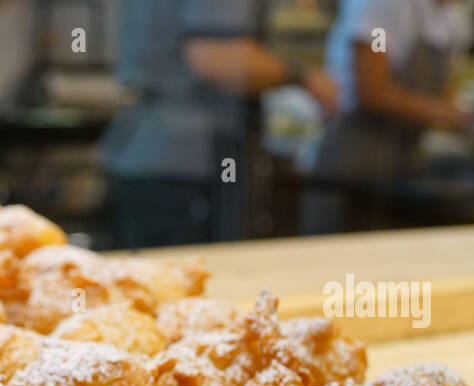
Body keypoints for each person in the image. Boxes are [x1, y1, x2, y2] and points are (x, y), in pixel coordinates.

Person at [101, 0, 337, 248]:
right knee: (205, 277)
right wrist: (305, 77)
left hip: (145, 153)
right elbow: (213, 57)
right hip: (191, 164)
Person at [305, 0, 474, 232]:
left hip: (406, 169)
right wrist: (454, 115)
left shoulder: (455, 19)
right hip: (352, 167)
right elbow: (370, 91)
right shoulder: (382, 4)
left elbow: (444, 93)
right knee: (340, 262)